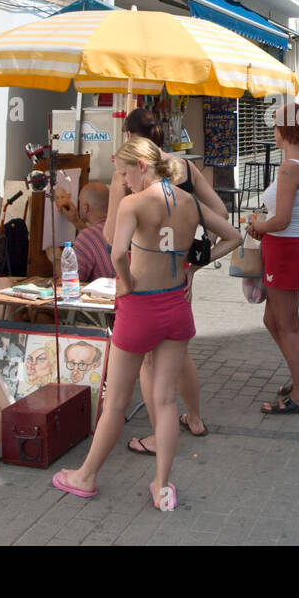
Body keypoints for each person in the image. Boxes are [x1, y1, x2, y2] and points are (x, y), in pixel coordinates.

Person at [54, 138, 241, 509]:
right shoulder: (188, 202)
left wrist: (125, 281)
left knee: (117, 402)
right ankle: (162, 486)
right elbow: (234, 235)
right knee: (165, 401)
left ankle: (86, 475)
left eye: (124, 173)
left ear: (141, 165)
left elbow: (117, 251)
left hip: (138, 309)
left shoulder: (133, 203)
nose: (124, 181)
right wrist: (195, 266)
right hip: (175, 307)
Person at [105, 108, 228, 450]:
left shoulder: (126, 178)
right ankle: (195, 416)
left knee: (147, 358)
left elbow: (111, 235)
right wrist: (194, 261)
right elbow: (221, 214)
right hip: (179, 277)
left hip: (143, 279)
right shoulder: (185, 167)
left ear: (131, 139)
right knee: (178, 352)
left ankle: (160, 434)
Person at [246, 103, 299, 414]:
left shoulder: (291, 167)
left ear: (285, 130)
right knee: (273, 319)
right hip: (298, 246)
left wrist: (257, 227)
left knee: (288, 325)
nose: (273, 132)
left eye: (276, 126)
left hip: (285, 249)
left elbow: (281, 220)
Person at [55, 182, 116, 282]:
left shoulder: (86, 237)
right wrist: (76, 221)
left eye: (79, 202)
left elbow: (71, 281)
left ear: (85, 207)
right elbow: (96, 239)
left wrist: (57, 258)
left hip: (103, 296)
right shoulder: (119, 227)